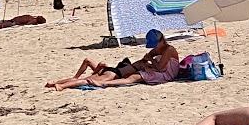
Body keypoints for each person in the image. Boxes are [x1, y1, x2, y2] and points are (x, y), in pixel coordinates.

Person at [45, 30, 177, 89]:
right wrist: (148, 62)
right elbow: (149, 62)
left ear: (161, 41)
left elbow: (159, 67)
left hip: (114, 70)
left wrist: (149, 62)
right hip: (115, 72)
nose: (154, 48)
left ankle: (58, 83)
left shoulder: (169, 49)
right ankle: (60, 84)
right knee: (87, 80)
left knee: (88, 77)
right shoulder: (153, 53)